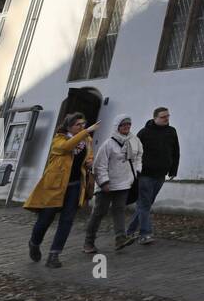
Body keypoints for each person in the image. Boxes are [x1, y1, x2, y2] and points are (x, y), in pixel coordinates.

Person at [24, 112, 98, 267]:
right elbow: (66, 147)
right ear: (69, 127)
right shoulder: (59, 139)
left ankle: (54, 255)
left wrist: (90, 161)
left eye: (83, 124)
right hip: (55, 186)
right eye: (78, 125)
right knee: (45, 219)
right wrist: (86, 131)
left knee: (67, 221)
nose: (82, 127)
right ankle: (34, 243)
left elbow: (89, 155)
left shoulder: (87, 140)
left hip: (75, 186)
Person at [84, 116, 143, 254]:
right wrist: (104, 182)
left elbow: (138, 157)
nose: (127, 127)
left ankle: (120, 238)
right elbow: (99, 165)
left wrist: (136, 172)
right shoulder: (108, 144)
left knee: (119, 210)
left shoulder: (134, 141)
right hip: (108, 185)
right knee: (99, 213)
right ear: (117, 126)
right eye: (123, 125)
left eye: (128, 124)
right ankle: (88, 242)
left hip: (124, 184)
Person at [126, 107, 179, 244]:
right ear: (155, 118)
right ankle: (145, 234)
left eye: (168, 116)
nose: (166, 118)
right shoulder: (144, 133)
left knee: (146, 204)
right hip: (145, 175)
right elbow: (134, 152)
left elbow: (175, 151)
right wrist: (135, 171)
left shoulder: (171, 132)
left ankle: (129, 232)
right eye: (163, 117)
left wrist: (173, 170)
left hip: (161, 175)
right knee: (144, 204)